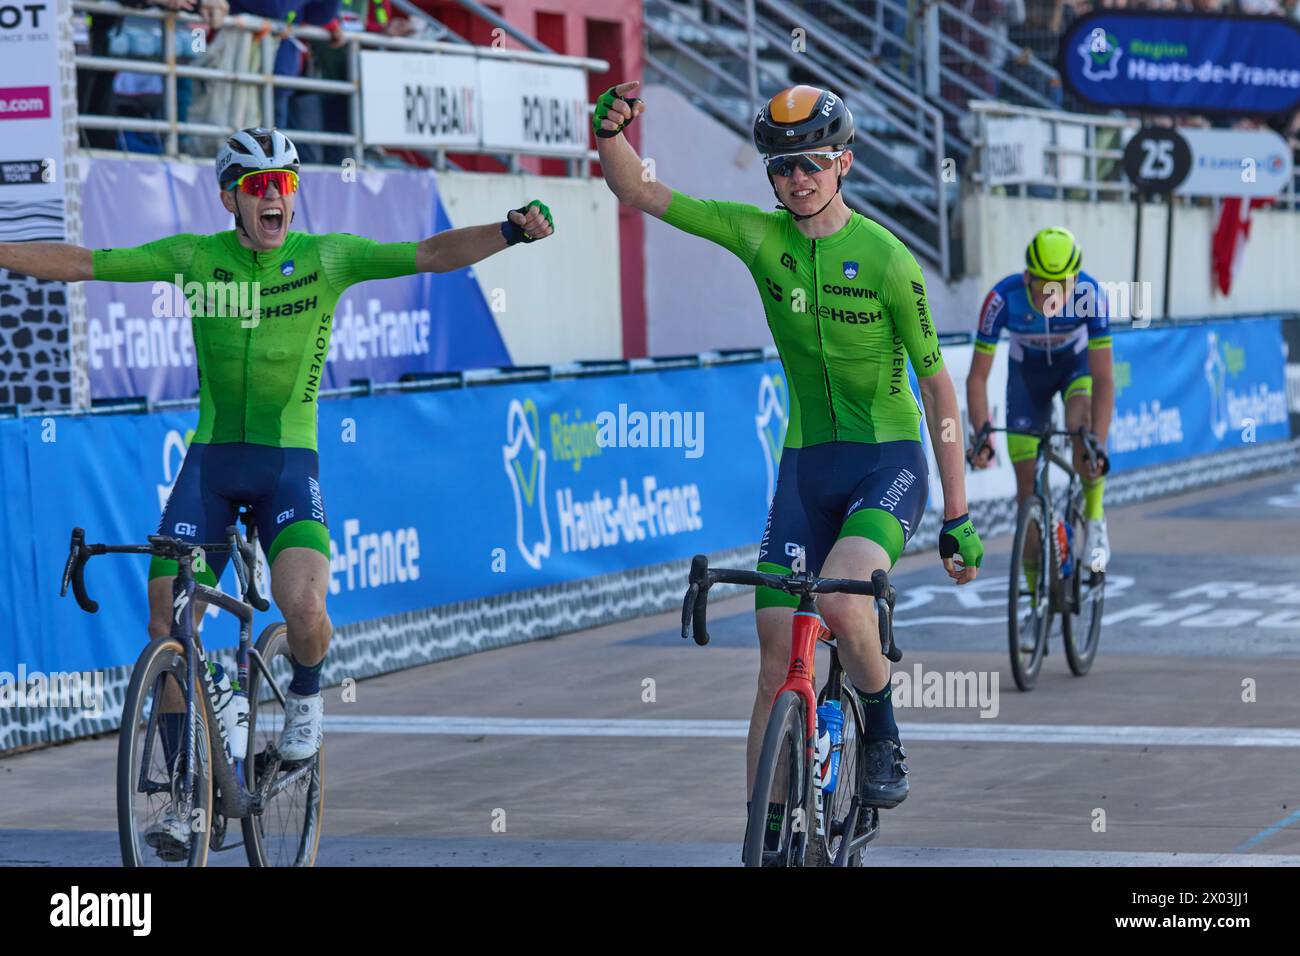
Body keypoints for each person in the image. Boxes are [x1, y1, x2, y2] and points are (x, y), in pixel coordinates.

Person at [0, 127, 554, 859]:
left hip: (288, 464)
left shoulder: (328, 258)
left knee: (305, 609)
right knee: (165, 620)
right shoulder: (195, 258)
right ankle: (179, 798)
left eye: (284, 184)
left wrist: (509, 232)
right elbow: (83, 264)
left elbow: (430, 254)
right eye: (258, 185)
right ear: (230, 196)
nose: (273, 196)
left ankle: (306, 701)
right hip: (210, 464)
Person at [592, 81, 984, 843]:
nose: (796, 180)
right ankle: (766, 835)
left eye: (809, 164)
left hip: (886, 459)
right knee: (775, 655)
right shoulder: (757, 236)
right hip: (806, 464)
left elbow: (939, 384)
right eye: (780, 168)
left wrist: (959, 513)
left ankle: (884, 731)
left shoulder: (885, 257)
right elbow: (638, 187)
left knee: (841, 603)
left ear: (842, 162)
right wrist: (609, 132)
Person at [966, 227, 1113, 571]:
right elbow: (977, 377)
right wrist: (982, 432)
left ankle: (1094, 518)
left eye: (1062, 284)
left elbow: (1104, 379)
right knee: (1026, 496)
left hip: (1073, 371)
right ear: (1027, 275)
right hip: (1026, 379)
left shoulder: (1091, 295)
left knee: (1082, 428)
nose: (1053, 294)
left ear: (1075, 279)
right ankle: (1035, 601)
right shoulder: (1002, 298)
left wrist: (1099, 445)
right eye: (1043, 283)